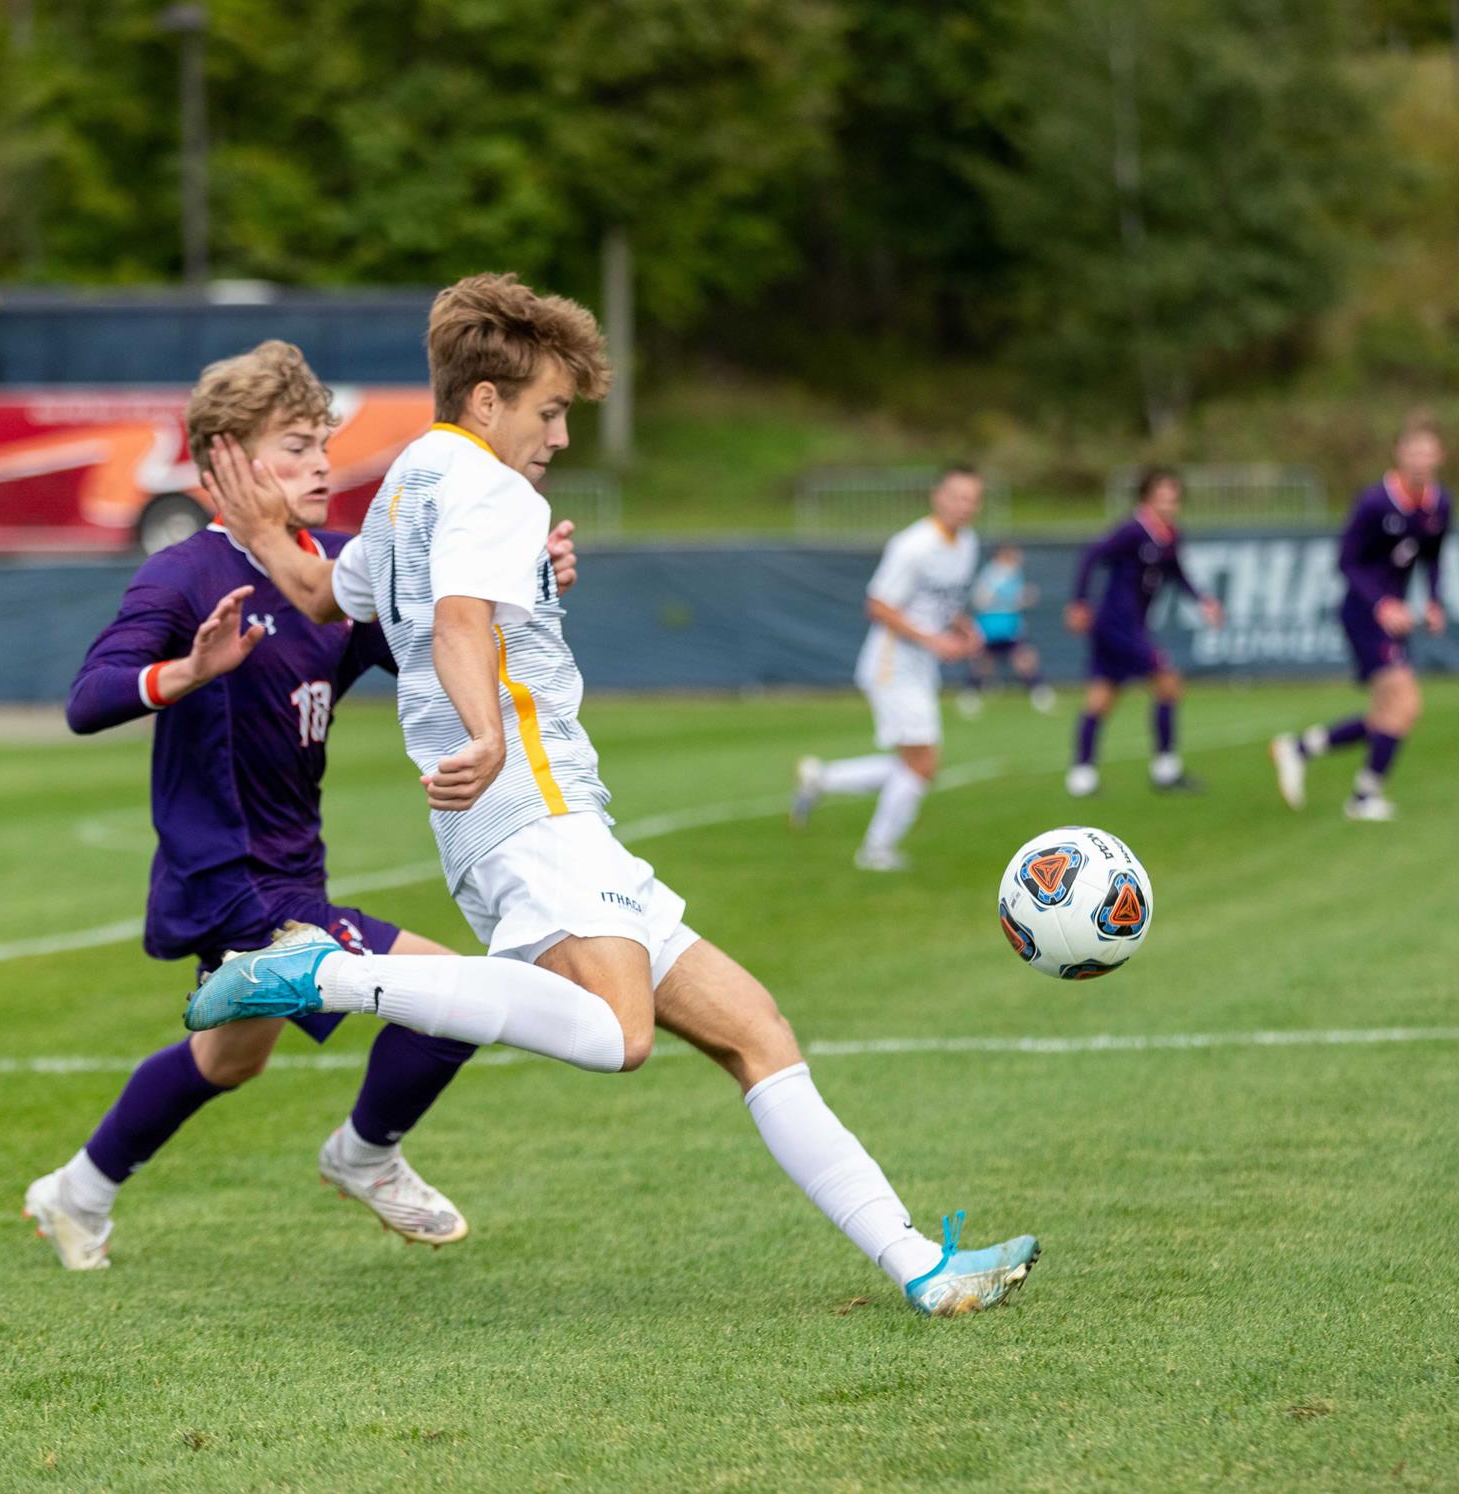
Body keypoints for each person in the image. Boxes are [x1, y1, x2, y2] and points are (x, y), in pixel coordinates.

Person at [197, 274, 1038, 1316]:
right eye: (549, 411)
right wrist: (488, 731)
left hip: (536, 814)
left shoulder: (412, 479)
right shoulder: (490, 488)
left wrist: (262, 533)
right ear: (488, 400)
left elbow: (326, 593)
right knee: (619, 1035)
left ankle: (919, 1265)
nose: (559, 436)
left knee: (754, 1029)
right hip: (528, 806)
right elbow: (459, 624)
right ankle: (324, 973)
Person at [22, 339, 580, 1270]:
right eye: (294, 447)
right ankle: (365, 1156)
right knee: (462, 997)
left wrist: (521, 589)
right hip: (231, 879)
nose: (321, 464)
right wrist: (188, 671)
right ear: (225, 463)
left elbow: (432, 646)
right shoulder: (184, 575)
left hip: (288, 870)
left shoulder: (333, 571)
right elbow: (89, 700)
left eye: (322, 443)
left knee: (231, 1058)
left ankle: (76, 1192)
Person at [789, 468, 984, 872]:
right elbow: (878, 604)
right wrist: (933, 640)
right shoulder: (913, 545)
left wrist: (967, 629)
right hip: (891, 665)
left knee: (915, 763)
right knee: (923, 762)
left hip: (921, 666)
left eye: (972, 498)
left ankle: (822, 778)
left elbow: (942, 603)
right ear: (937, 496)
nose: (964, 505)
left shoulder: (967, 544)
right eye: (957, 496)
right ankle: (876, 850)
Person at [1271, 416, 1452, 822]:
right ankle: (1363, 796)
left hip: (1396, 617)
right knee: (1405, 703)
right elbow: (1346, 561)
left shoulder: (1440, 504)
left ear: (1440, 456)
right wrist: (1381, 604)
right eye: (1413, 451)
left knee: (1389, 714)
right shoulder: (1375, 502)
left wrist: (1435, 602)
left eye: (1428, 452)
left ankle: (1300, 750)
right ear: (1399, 453)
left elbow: (1434, 557)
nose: (1420, 460)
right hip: (1363, 614)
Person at [1064, 469, 1224, 797]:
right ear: (1147, 498)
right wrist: (1079, 602)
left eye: (1173, 498)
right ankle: (1165, 770)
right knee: (1168, 681)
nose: (1169, 504)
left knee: (1102, 696)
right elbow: (1092, 554)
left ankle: (1082, 775)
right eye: (1162, 497)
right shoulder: (1132, 530)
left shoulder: (1169, 535)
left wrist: (1203, 601)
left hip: (1132, 626)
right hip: (1117, 625)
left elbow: (1177, 573)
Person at [957, 543, 1054, 719]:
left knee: (1023, 657)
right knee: (984, 662)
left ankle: (1039, 692)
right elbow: (982, 600)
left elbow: (1015, 600)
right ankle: (969, 695)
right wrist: (1017, 597)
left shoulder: (1014, 573)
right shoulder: (992, 573)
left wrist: (1022, 599)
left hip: (1009, 626)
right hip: (990, 626)